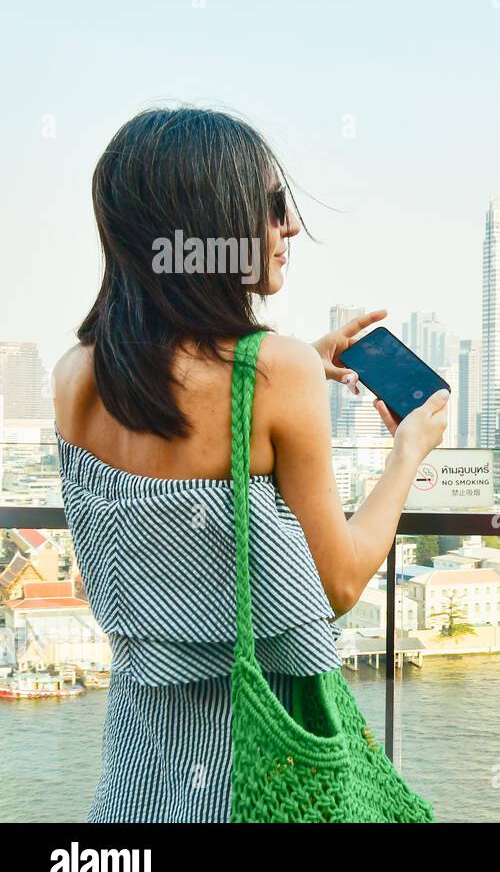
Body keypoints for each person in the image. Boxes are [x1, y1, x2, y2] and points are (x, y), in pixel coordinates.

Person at [52, 105, 447, 821]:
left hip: (139, 768)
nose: (289, 225)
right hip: (261, 764)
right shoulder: (275, 374)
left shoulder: (73, 377)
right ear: (208, 226)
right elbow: (340, 581)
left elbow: (176, 414)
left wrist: (284, 369)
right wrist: (407, 454)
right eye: (270, 206)